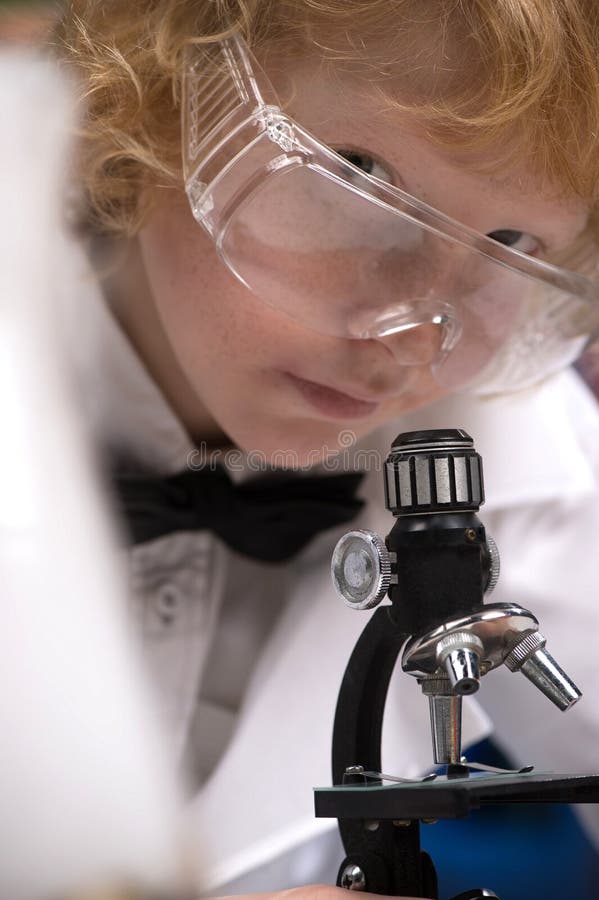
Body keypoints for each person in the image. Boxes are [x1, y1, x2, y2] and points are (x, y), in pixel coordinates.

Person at [52, 1, 599, 897]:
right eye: (358, 180)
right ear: (156, 93)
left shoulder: (509, 442)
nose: (413, 336)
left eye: (509, 243)